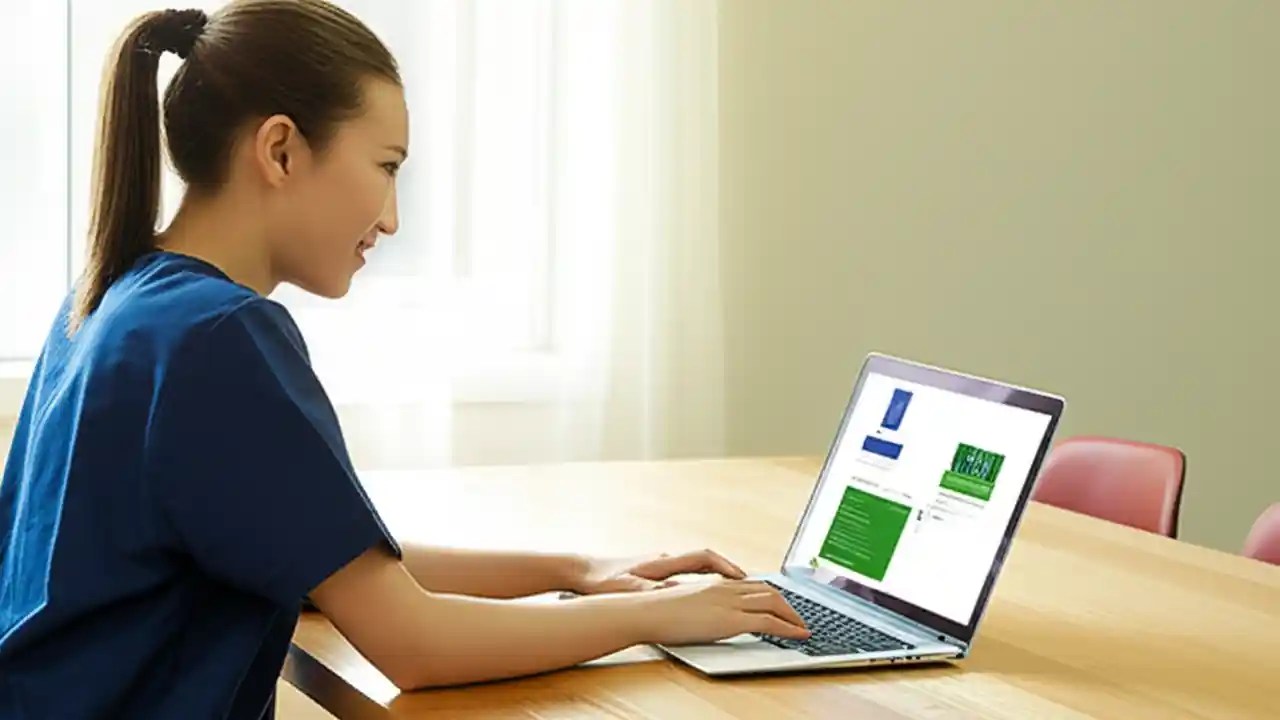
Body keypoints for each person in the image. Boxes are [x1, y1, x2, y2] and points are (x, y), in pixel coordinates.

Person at [0, 2, 808, 717]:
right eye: (386, 167)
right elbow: (415, 646)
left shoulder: (119, 297)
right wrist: (661, 617)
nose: (389, 218)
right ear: (280, 150)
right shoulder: (217, 338)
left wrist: (581, 569)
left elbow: (327, 556)